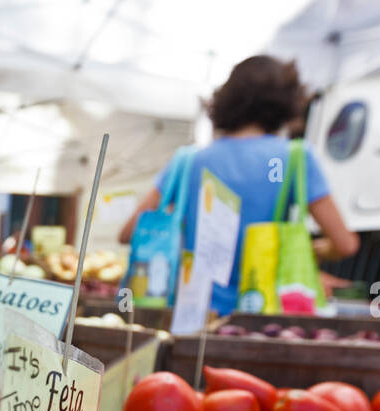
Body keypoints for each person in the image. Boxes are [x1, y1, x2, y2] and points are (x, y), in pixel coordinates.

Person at [120, 55, 358, 315]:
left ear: (226, 98)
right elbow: (345, 244)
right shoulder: (293, 160)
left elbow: (129, 232)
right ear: (288, 101)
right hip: (257, 319)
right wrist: (319, 250)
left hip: (188, 316)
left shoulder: (188, 162)